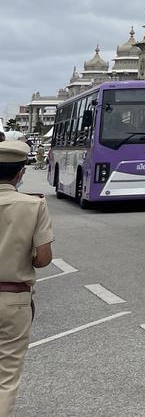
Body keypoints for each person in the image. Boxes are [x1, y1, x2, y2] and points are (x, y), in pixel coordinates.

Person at [0, 139, 53, 417]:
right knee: (6, 377)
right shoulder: (34, 205)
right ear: (21, 173)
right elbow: (43, 258)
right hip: (14, 299)